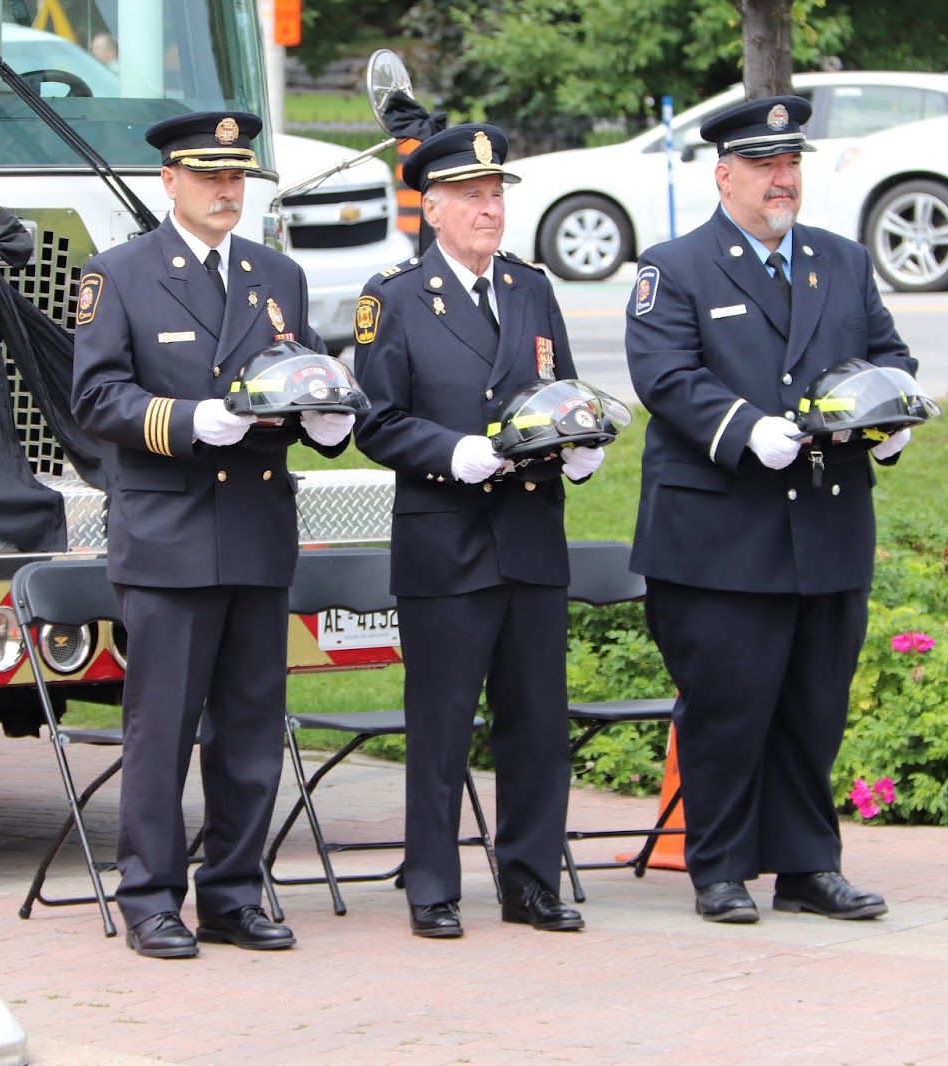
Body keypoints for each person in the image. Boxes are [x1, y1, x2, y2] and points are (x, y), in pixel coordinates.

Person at [623, 95, 914, 924]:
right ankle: (718, 868)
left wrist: (889, 418)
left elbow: (887, 354)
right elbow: (665, 374)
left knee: (814, 706)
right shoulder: (676, 266)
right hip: (720, 535)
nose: (781, 180)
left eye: (790, 165)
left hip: (824, 527)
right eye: (763, 166)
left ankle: (807, 866)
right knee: (727, 706)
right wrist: (746, 428)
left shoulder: (841, 261)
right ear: (724, 176)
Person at [71, 111, 354, 959]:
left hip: (256, 530)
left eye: (236, 177)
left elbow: (299, 372)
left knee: (251, 731)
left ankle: (232, 893)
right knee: (161, 730)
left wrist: (329, 416)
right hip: (170, 531)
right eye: (208, 176)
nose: (227, 191)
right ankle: (151, 899)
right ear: (170, 181)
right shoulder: (120, 274)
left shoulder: (277, 274)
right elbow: (96, 398)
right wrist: (190, 419)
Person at [353, 123, 600, 939]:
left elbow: (560, 388)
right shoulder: (393, 297)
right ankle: (433, 886)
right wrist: (452, 452)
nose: (490, 209)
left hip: (529, 534)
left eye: (496, 195)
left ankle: (531, 882)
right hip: (447, 539)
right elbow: (376, 421)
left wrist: (580, 444)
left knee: (538, 724)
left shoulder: (529, 287)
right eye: (471, 196)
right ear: (431, 208)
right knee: (442, 725)